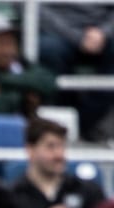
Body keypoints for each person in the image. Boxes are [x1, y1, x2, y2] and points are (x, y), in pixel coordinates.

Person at [37, 4, 114, 142]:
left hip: (103, 32)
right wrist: (77, 37)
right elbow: (26, 5)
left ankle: (85, 122)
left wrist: (103, 32)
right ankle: (68, 125)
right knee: (49, 50)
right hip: (56, 31)